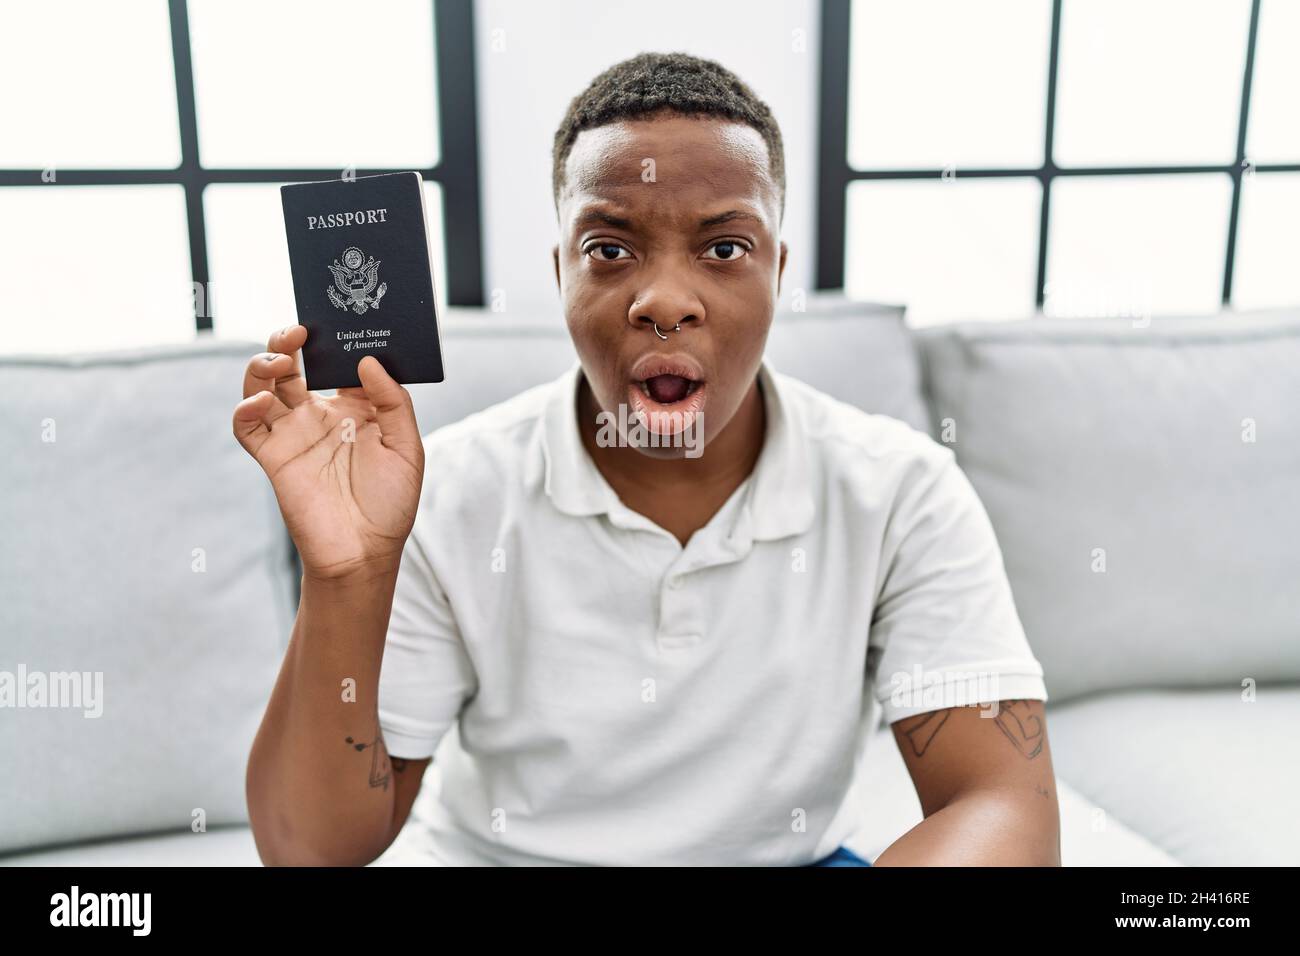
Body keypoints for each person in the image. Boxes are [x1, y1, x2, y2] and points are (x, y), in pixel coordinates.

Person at [234, 52, 1059, 867]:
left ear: (778, 271)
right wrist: (347, 575)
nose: (664, 301)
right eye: (610, 250)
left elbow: (1001, 808)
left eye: (725, 249)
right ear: (560, 276)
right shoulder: (446, 492)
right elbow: (311, 854)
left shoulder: (900, 491)